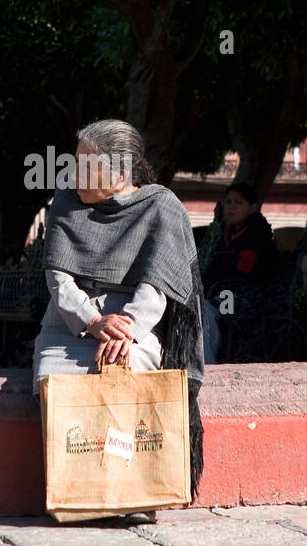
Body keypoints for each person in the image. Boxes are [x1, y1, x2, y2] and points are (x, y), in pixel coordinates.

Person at [32, 119, 205, 513]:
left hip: (133, 323)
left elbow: (158, 283)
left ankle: (126, 491)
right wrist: (92, 321)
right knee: (57, 382)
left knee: (129, 380)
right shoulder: (66, 200)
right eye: (73, 164)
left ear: (121, 174)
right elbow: (58, 279)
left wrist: (125, 328)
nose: (75, 175)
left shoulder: (161, 206)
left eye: (87, 168)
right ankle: (79, 493)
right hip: (70, 322)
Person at [200, 183, 280, 363]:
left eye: (238, 203)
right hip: (225, 293)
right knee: (197, 307)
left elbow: (241, 274)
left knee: (205, 311)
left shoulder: (257, 235)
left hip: (247, 298)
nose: (231, 207)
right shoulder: (226, 235)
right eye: (228, 202)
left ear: (252, 208)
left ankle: (209, 364)